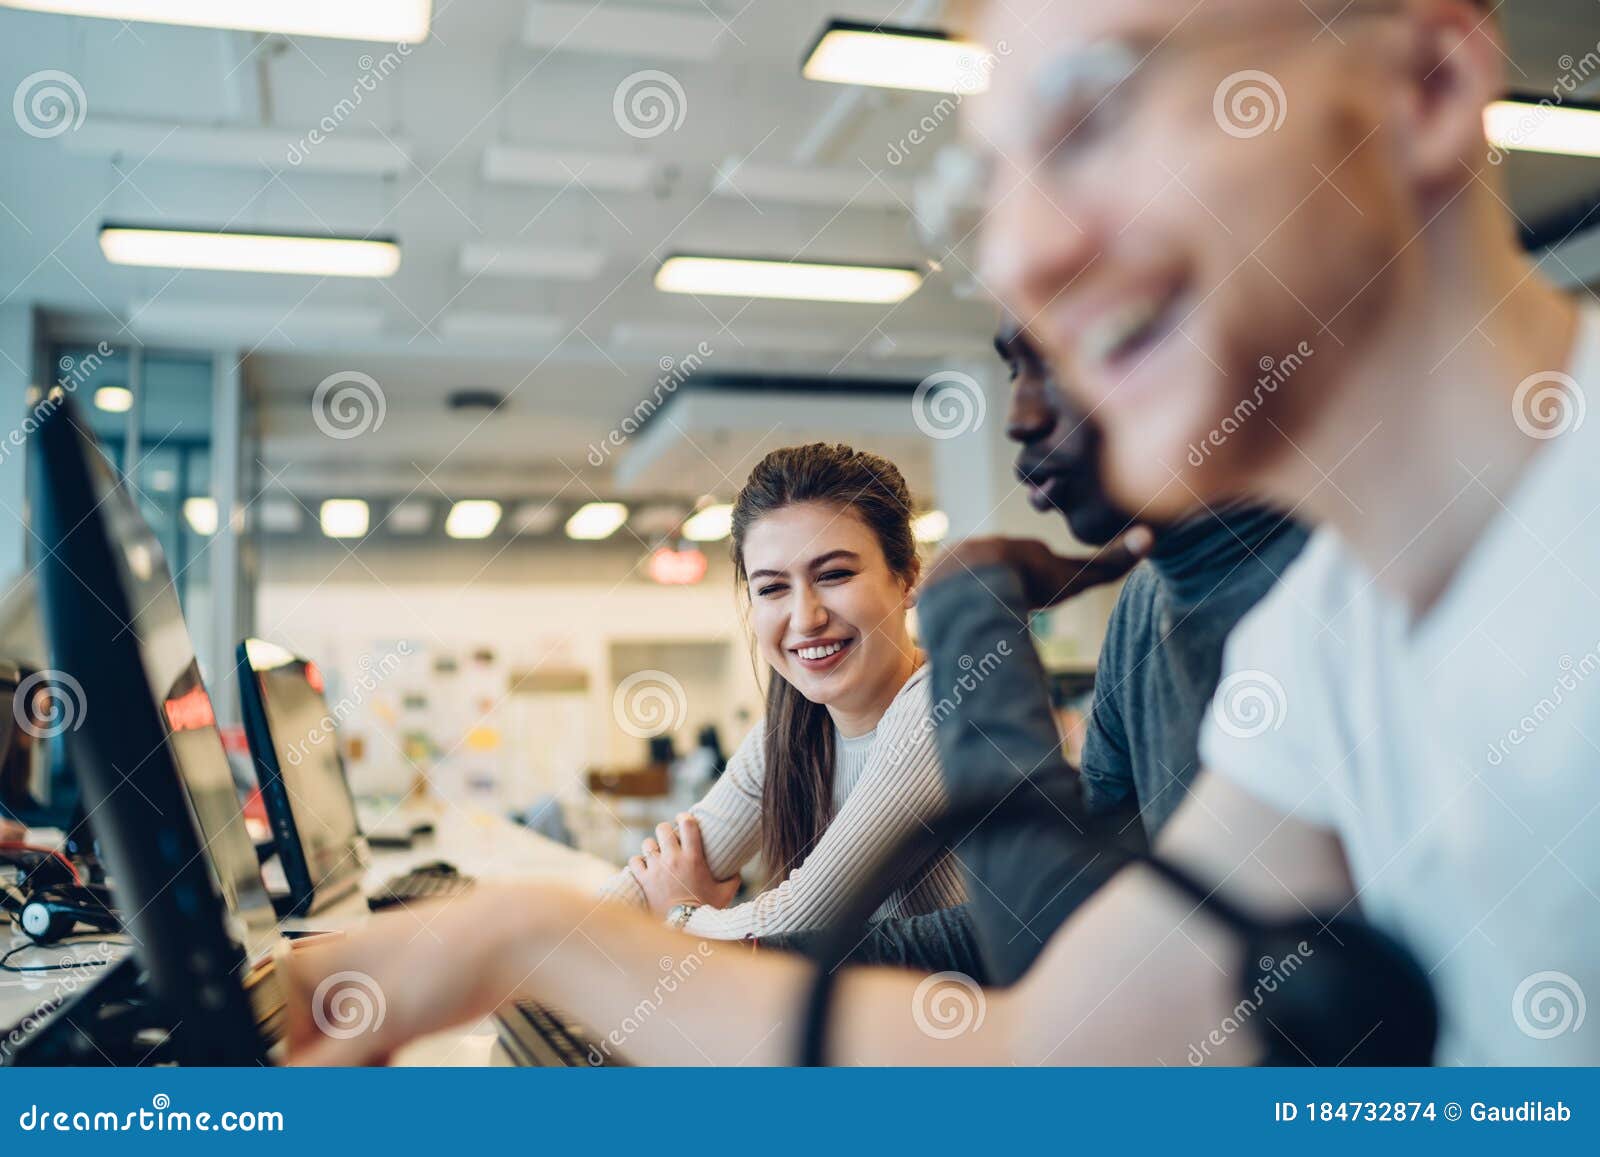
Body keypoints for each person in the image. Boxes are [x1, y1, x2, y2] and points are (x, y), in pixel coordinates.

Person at [291, 0, 1600, 1066]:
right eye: (990, 186)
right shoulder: (1330, 636)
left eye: (1097, 113)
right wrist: (525, 939)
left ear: (1425, 83)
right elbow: (1068, 1043)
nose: (1023, 250)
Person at [775, 323, 1308, 983]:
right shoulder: (1146, 605)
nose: (1021, 418)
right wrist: (736, 967)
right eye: (1014, 373)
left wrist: (972, 607)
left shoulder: (1320, 600)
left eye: (1060, 358)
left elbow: (1050, 943)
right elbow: (1084, 912)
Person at [597, 443, 967, 939]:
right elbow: (653, 881)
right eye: (772, 588)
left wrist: (680, 915)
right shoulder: (791, 728)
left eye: (834, 575)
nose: (805, 618)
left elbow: (796, 925)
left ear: (907, 578)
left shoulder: (939, 712)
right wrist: (534, 956)